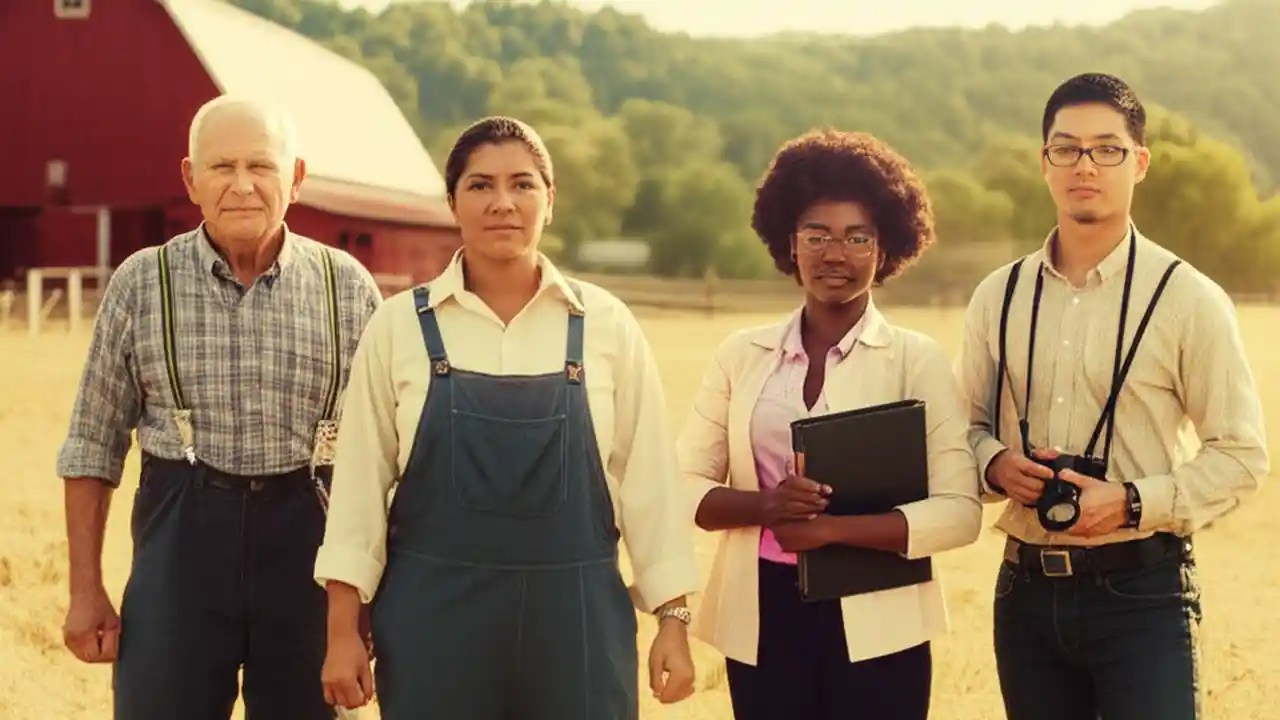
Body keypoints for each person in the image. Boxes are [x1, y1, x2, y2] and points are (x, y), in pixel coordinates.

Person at [314, 115, 700, 719]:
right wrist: (342, 631)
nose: (503, 203)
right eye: (480, 185)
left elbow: (651, 486)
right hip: (433, 621)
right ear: (452, 202)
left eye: (522, 184)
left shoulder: (606, 325)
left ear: (551, 200)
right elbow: (358, 490)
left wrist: (672, 620)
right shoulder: (397, 328)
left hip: (576, 621)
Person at [56, 95, 383, 719]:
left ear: (296, 177)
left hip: (310, 556)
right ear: (190, 179)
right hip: (179, 549)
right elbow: (91, 446)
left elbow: (383, 460)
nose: (242, 186)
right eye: (222, 167)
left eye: (261, 166)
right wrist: (86, 590)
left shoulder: (348, 287)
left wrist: (365, 604)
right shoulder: (141, 283)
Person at [959, 72, 1268, 720]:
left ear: (1140, 163)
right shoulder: (998, 296)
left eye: (1107, 149)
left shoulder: (1188, 298)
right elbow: (961, 432)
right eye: (1066, 148)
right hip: (1023, 595)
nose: (1085, 166)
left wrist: (1130, 502)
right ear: (1044, 162)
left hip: (1144, 594)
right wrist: (994, 463)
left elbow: (1242, 457)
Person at [678, 128, 982, 720]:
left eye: (857, 237)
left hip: (882, 622)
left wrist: (830, 531)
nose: (834, 254)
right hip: (761, 618)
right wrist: (767, 506)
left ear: (885, 248)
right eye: (816, 235)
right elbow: (683, 486)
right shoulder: (741, 355)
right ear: (789, 244)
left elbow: (959, 512)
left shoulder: (916, 359)